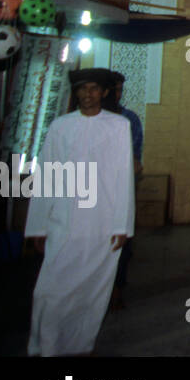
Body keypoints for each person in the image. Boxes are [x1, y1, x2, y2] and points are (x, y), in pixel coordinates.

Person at [25, 69, 134, 356]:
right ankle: (45, 346)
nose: (88, 94)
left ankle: (80, 345)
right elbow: (47, 174)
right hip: (63, 219)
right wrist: (37, 225)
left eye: (94, 88)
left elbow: (124, 176)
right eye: (83, 89)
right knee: (49, 290)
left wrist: (122, 225)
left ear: (104, 92)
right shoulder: (60, 126)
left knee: (93, 292)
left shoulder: (119, 126)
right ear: (76, 92)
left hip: (102, 222)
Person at [107, 71, 143, 312]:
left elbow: (136, 158)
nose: (117, 95)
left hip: (120, 191)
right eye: (114, 90)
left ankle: (117, 290)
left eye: (120, 90)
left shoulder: (129, 120)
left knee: (122, 244)